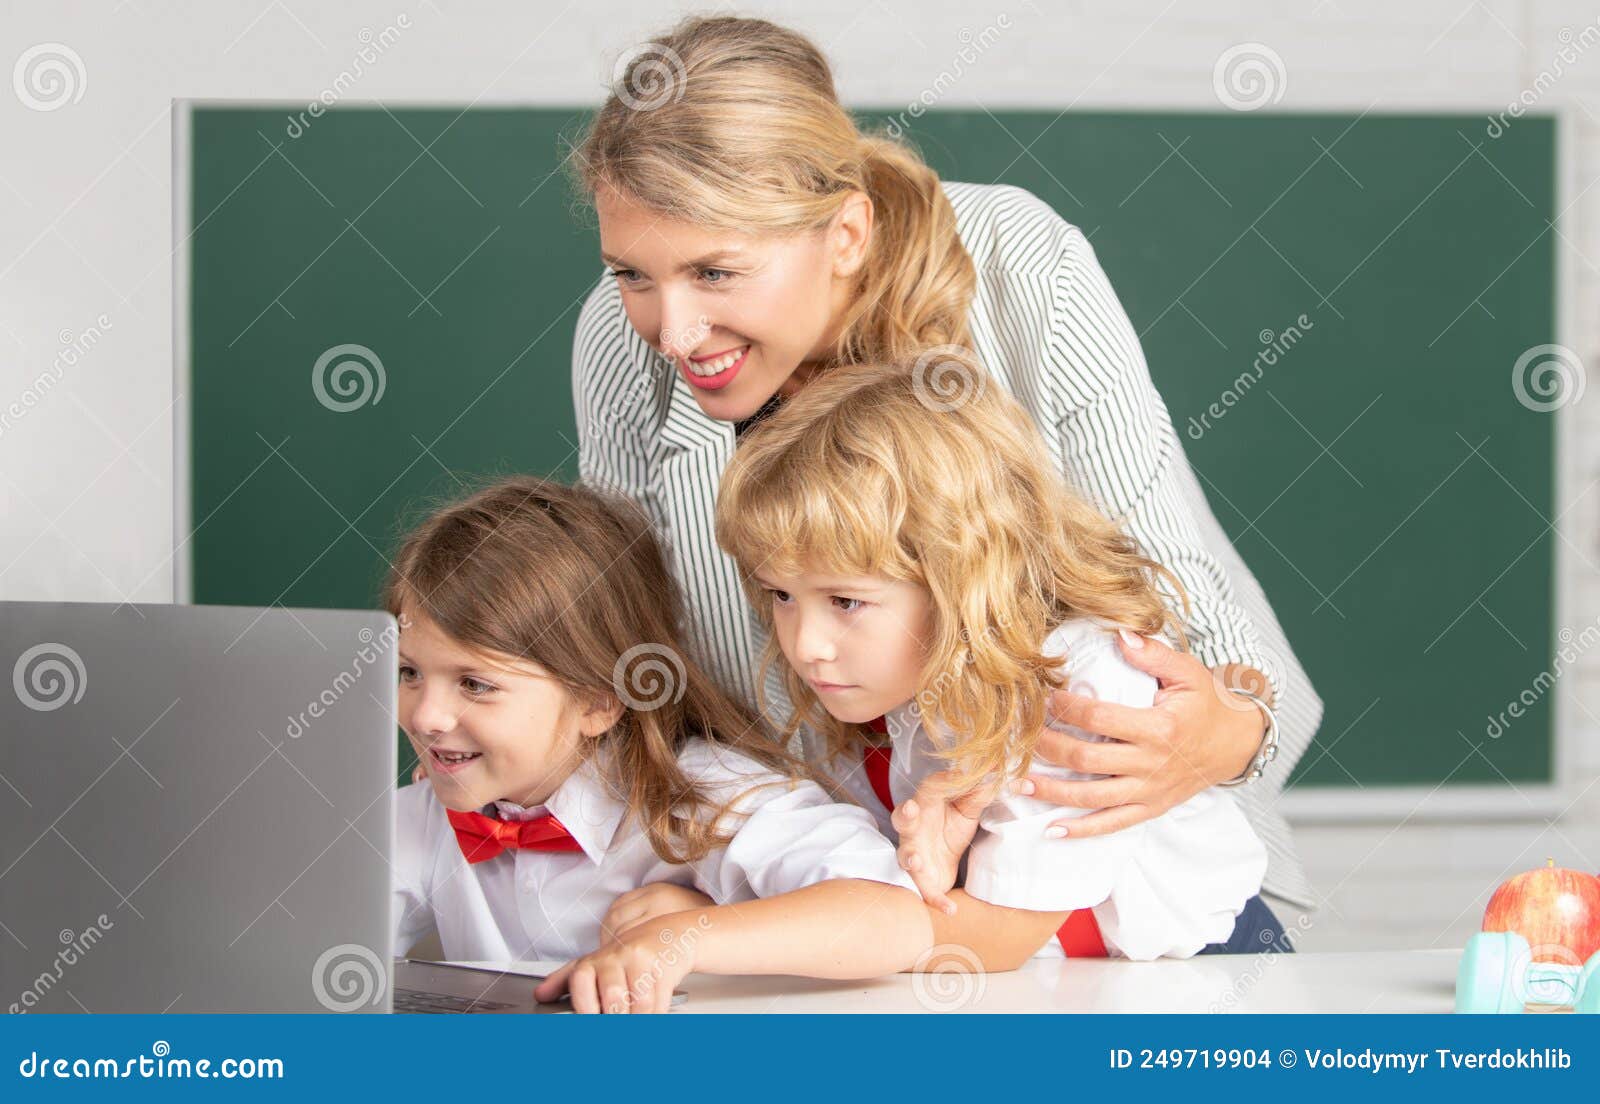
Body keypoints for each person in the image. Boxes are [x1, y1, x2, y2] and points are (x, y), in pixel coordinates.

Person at [570, 13, 1323, 937]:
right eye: (632, 275)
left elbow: (1183, 624)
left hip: (1088, 901)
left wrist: (1221, 734)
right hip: (810, 896)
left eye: (718, 273)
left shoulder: (1018, 262)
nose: (673, 330)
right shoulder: (620, 341)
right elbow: (635, 658)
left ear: (845, 233)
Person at [714, 356, 1269, 962]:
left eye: (846, 600)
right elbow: (902, 894)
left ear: (963, 576)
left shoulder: (1084, 680)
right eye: (782, 596)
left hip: (1201, 979)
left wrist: (716, 937)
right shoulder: (880, 683)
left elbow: (1003, 937)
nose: (804, 645)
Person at [386, 476, 934, 1012]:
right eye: (410, 672)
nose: (426, 716)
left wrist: (687, 935)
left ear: (598, 701)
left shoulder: (706, 793)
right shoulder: (419, 817)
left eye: (475, 684)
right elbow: (309, 944)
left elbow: (894, 918)